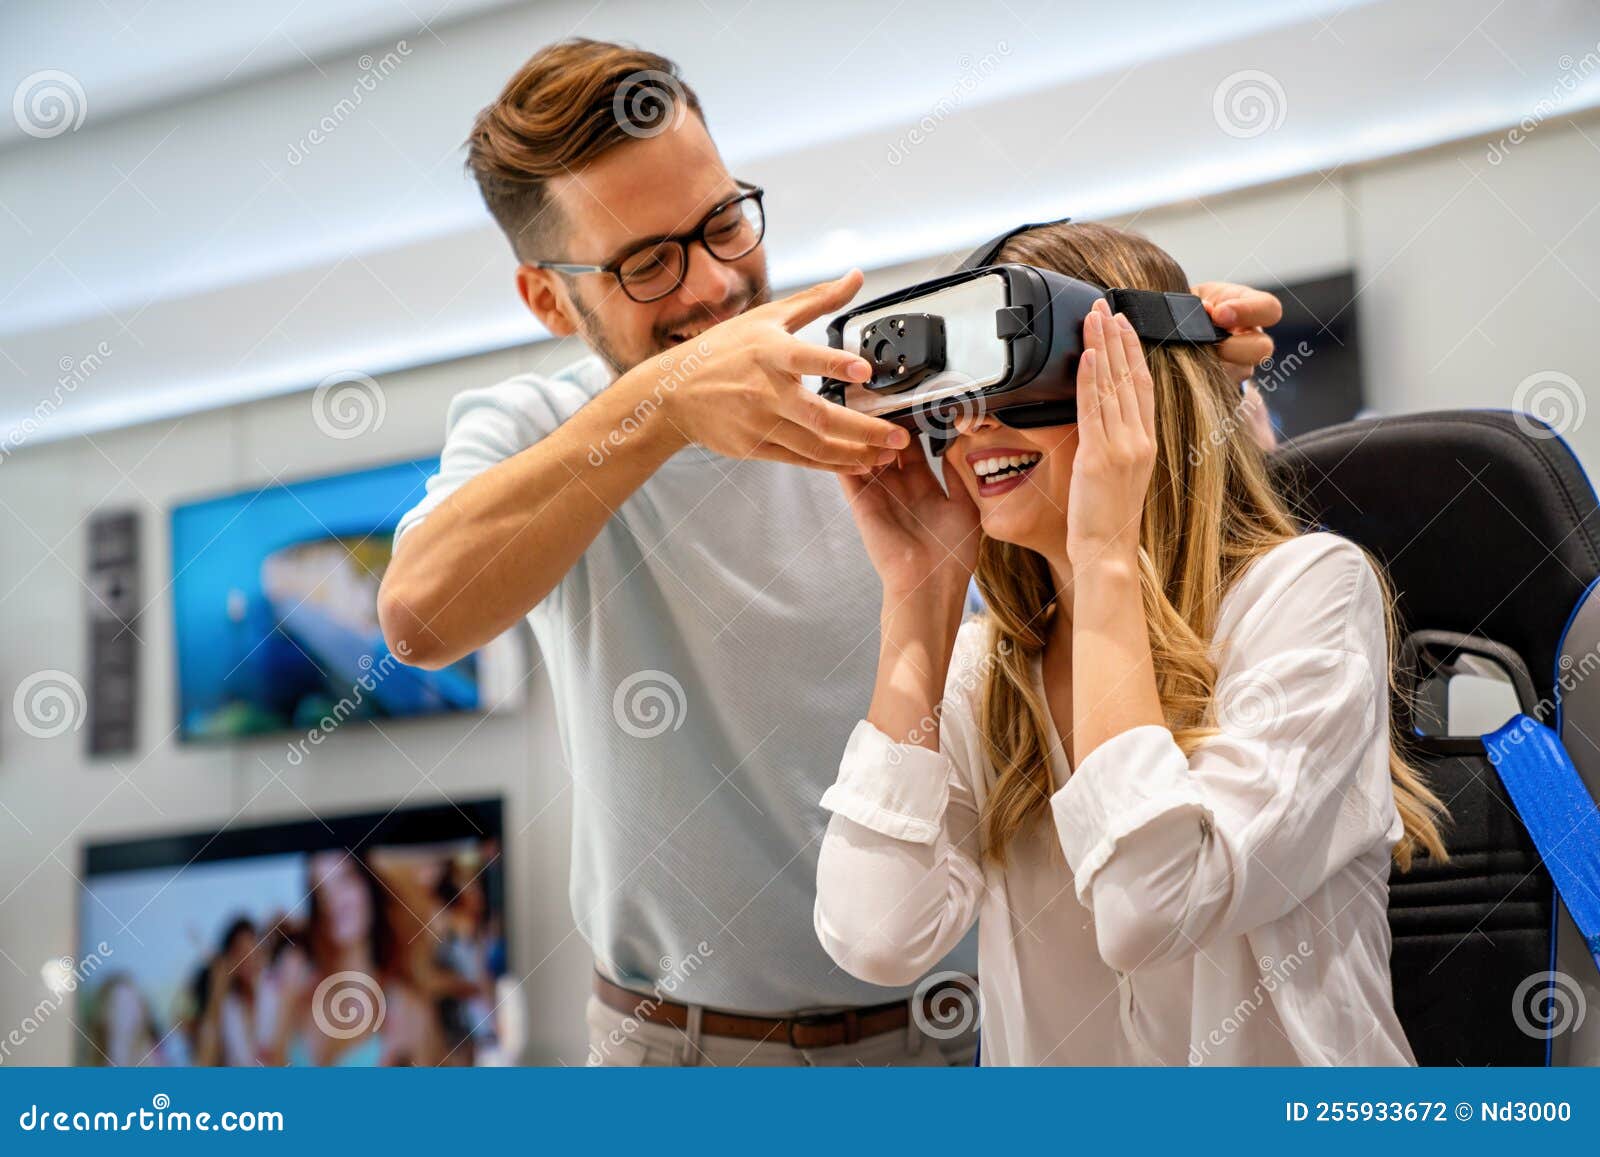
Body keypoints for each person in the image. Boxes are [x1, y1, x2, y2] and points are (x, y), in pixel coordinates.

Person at [376, 38, 1286, 1066]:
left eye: (723, 222)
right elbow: (418, 618)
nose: (714, 283)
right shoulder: (537, 433)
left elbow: (1149, 525)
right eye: (647, 263)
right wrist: (664, 408)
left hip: (966, 1032)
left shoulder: (877, 374)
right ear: (548, 298)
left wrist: (1175, 352)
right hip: (683, 1060)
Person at [812, 220, 1452, 1066]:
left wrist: (1106, 556)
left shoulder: (1306, 597)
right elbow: (874, 936)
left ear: (1139, 389)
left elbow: (1151, 906)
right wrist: (919, 597)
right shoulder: (986, 669)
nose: (976, 431)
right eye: (953, 403)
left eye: (1019, 384)